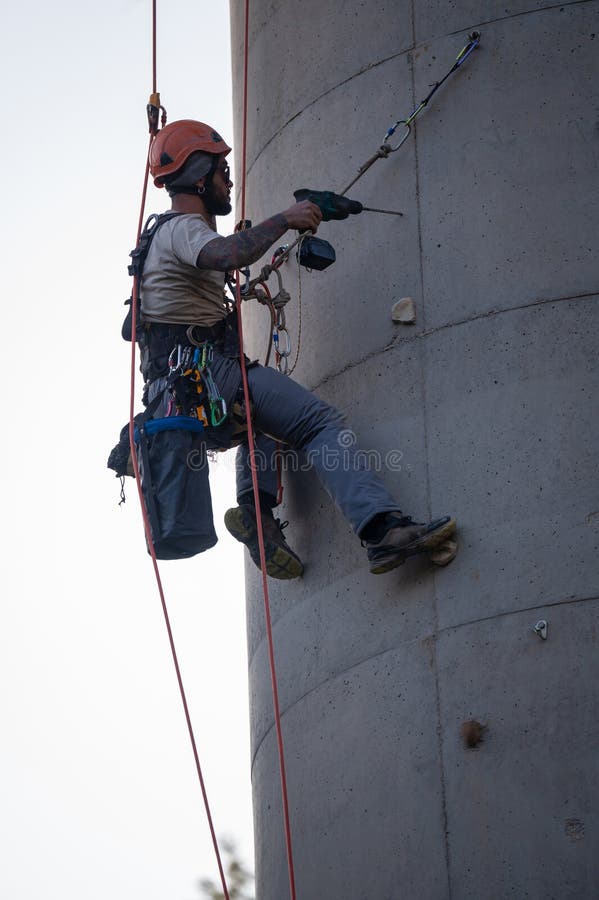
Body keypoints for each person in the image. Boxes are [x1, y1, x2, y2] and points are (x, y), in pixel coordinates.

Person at [138, 119, 456, 578]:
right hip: (208, 377)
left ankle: (258, 516)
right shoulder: (183, 229)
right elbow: (228, 255)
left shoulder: (156, 240)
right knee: (317, 422)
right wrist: (287, 219)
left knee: (265, 419)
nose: (229, 181)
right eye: (223, 171)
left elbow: (137, 326)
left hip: (183, 396)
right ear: (199, 176)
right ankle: (382, 531)